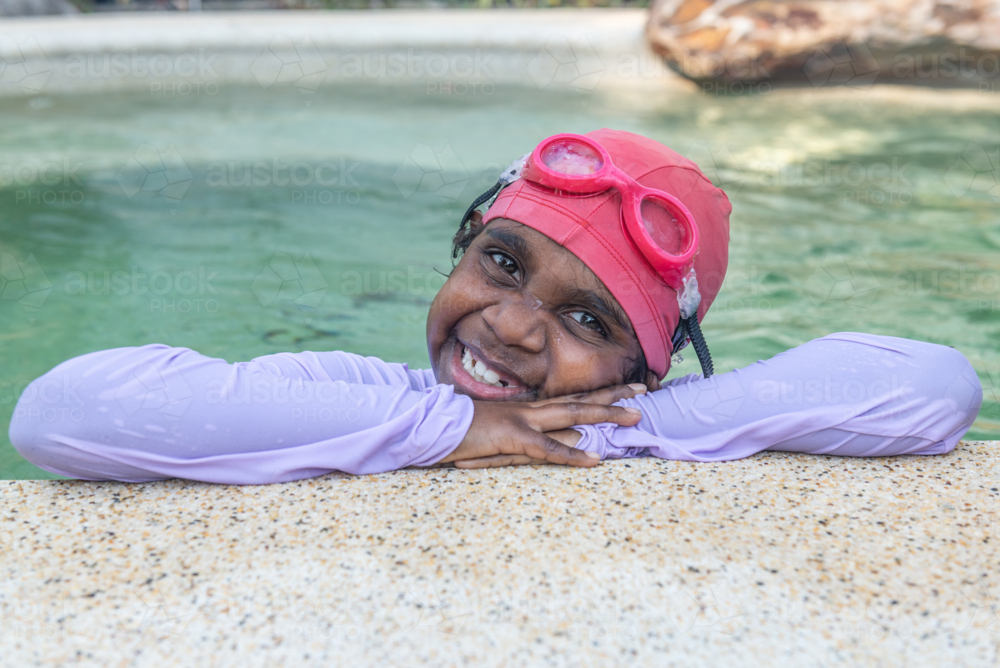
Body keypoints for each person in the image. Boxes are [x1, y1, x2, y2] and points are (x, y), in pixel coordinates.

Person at [8, 130, 983, 484]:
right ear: (463, 245)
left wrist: (630, 425)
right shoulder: (358, 385)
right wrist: (457, 423)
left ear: (647, 364)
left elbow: (933, 386)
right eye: (501, 262)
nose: (513, 325)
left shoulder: (634, 410)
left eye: (589, 319)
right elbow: (60, 413)